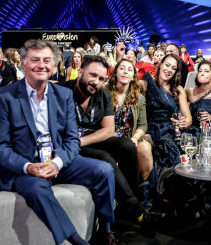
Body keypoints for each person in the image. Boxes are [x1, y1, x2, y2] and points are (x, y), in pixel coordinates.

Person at [0, 39, 122, 245]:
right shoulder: (4, 97)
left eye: (47, 60)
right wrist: (29, 167)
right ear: (23, 63)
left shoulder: (62, 95)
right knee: (37, 189)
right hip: (26, 168)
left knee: (104, 169)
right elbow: (0, 147)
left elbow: (71, 141)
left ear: (55, 64)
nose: (41, 65)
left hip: (57, 161)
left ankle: (106, 233)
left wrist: (58, 162)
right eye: (35, 60)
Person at [61, 55, 161, 228]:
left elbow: (108, 130)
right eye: (92, 75)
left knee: (127, 145)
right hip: (68, 142)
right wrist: (74, 143)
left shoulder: (103, 94)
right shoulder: (62, 91)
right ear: (80, 71)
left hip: (88, 139)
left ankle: (133, 201)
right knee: (106, 158)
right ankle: (137, 211)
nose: (96, 82)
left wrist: (81, 141)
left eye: (101, 78)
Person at [140, 54, 192, 199]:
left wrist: (184, 123)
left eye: (173, 68)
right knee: (166, 147)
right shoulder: (147, 82)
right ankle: (161, 196)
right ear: (161, 64)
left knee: (186, 142)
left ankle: (182, 195)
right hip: (152, 129)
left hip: (173, 128)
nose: (169, 70)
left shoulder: (178, 89)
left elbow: (188, 118)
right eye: (167, 65)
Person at [107, 58, 154, 183]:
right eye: (121, 68)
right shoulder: (104, 93)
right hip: (110, 136)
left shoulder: (139, 98)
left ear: (133, 77)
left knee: (144, 147)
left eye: (129, 70)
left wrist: (134, 138)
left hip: (131, 135)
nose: (125, 72)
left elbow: (143, 125)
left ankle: (144, 190)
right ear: (116, 72)